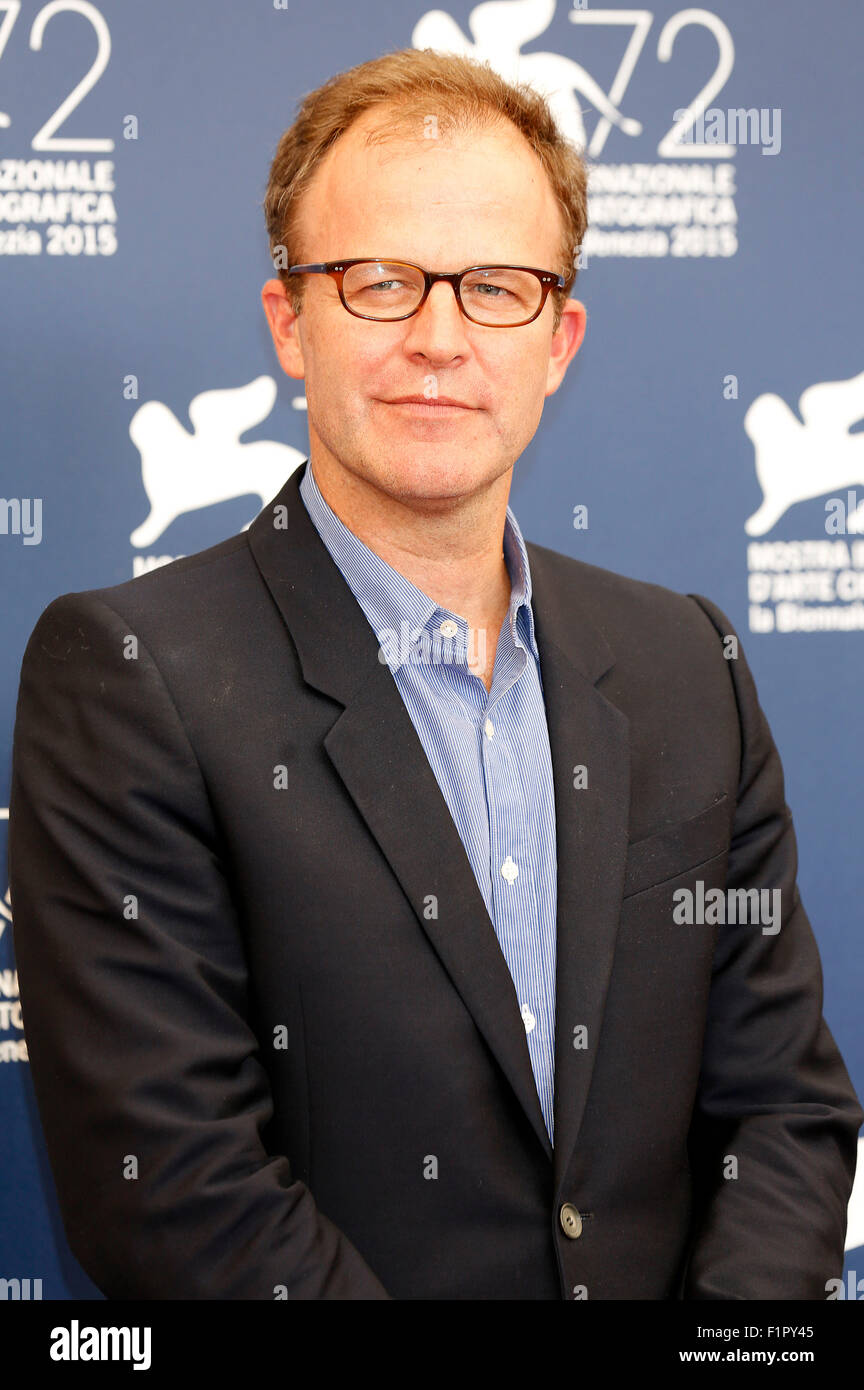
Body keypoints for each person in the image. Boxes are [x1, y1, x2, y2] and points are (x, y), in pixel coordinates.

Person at [9, 48, 862, 1300]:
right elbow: (176, 1191)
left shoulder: (690, 664)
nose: (439, 337)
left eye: (497, 288)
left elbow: (783, 1109)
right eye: (379, 281)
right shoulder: (136, 676)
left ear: (560, 338)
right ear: (288, 321)